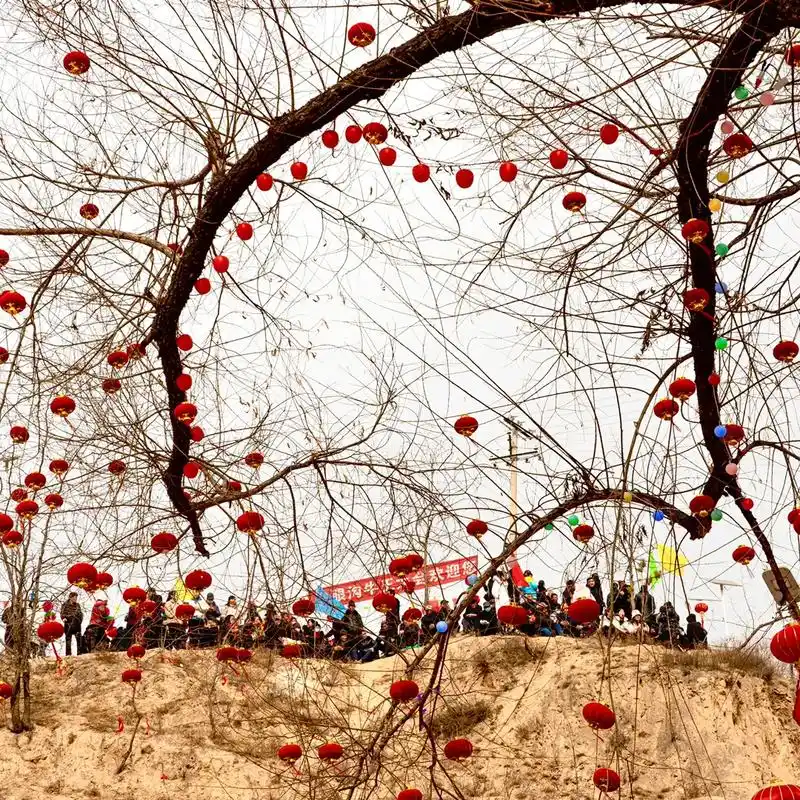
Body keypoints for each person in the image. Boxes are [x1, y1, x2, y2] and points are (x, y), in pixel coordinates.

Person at [60, 592, 83, 656]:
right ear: (70, 597)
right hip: (68, 623)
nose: (75, 599)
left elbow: (80, 614)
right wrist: (64, 618)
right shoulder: (64, 605)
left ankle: (79, 653)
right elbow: (62, 613)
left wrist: (80, 621)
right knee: (68, 640)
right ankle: (68, 655)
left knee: (79, 639)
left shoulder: (78, 605)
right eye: (74, 597)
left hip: (77, 624)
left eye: (76, 597)